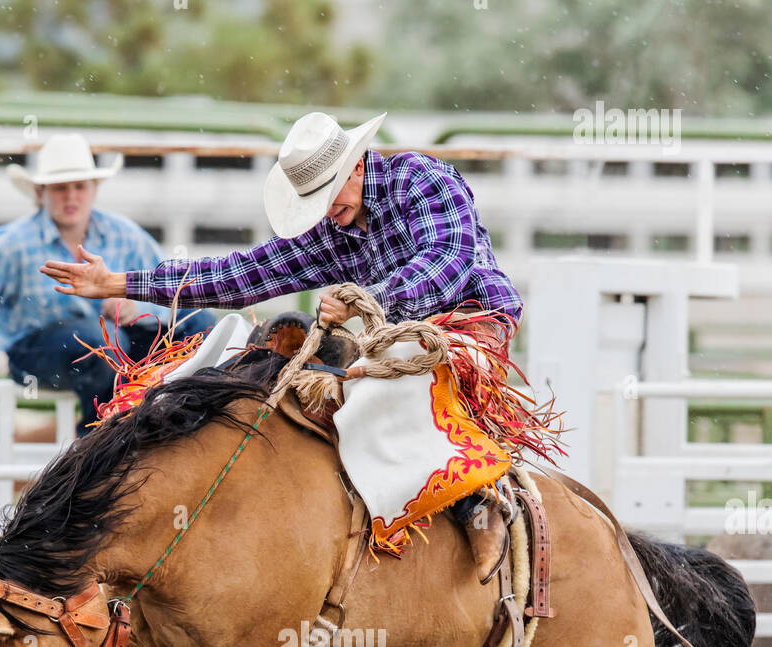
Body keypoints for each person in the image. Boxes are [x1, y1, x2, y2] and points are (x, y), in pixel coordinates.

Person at [40, 112, 521, 560]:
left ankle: (480, 499)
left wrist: (364, 300)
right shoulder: (333, 227)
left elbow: (447, 262)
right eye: (315, 199)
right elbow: (238, 275)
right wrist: (120, 283)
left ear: (356, 168)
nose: (326, 209)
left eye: (329, 193)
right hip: (391, 336)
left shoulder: (423, 179)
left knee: (401, 388)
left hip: (471, 320)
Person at [0, 133, 215, 431]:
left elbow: (171, 288)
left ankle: (184, 430)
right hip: (38, 350)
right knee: (97, 342)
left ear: (94, 190)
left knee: (201, 325)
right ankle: (102, 443)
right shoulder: (14, 244)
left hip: (114, 347)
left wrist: (136, 305)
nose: (71, 196)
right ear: (41, 193)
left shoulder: (124, 234)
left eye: (80, 186)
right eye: (60, 188)